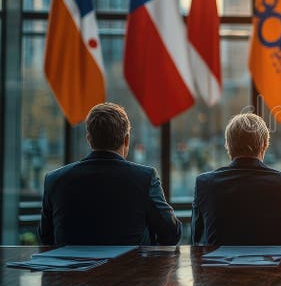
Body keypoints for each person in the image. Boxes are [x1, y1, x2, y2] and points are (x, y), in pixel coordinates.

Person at [38, 102, 180, 245]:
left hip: (70, 267)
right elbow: (170, 233)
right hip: (129, 267)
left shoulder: (54, 180)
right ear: (126, 139)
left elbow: (46, 237)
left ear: (89, 140)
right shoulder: (145, 178)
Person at [192, 113, 281, 245]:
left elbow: (197, 239)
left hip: (219, 265)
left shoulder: (205, 184)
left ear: (228, 145)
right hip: (277, 265)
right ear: (265, 145)